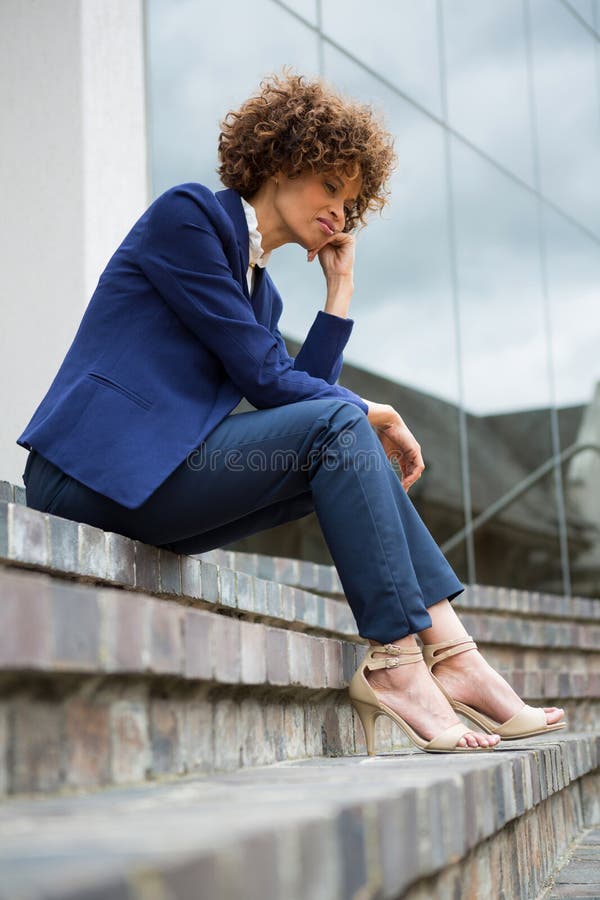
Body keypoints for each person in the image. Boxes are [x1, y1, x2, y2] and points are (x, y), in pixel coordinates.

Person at [18, 72, 565, 754]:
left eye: (352, 202)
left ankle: (453, 657)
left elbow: (300, 396)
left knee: (338, 442)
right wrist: (372, 409)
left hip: (154, 485)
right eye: (330, 186)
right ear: (281, 160)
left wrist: (339, 293)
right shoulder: (188, 218)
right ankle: (403, 664)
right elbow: (272, 383)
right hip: (87, 476)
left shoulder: (263, 295)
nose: (341, 211)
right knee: (341, 427)